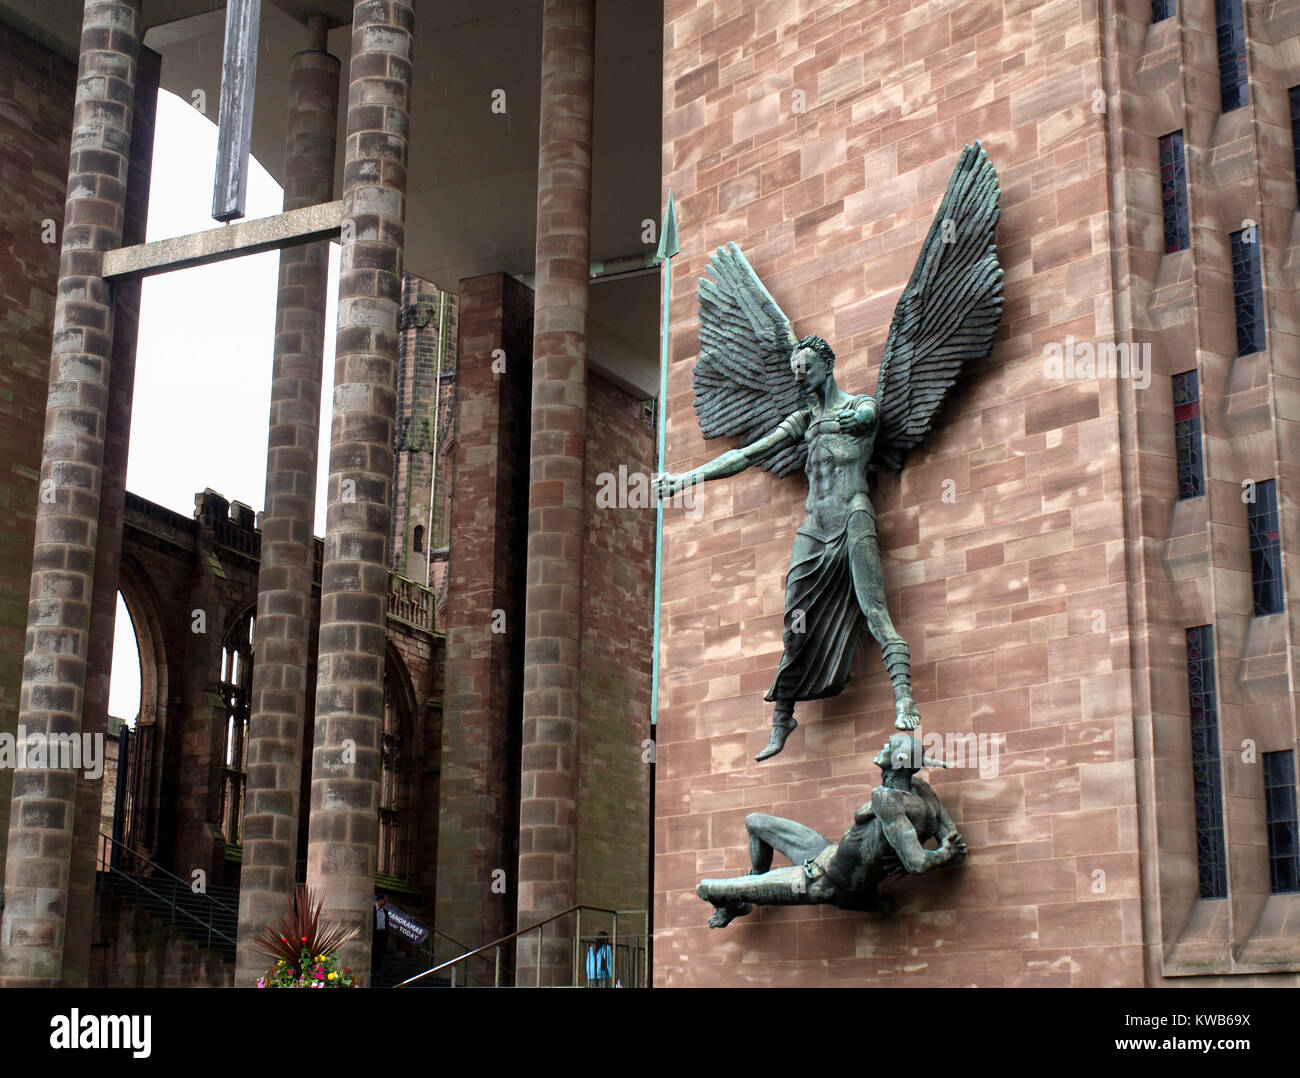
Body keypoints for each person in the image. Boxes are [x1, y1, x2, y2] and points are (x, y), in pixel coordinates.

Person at [371, 892, 389, 979]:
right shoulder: (372, 909)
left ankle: (376, 970)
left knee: (380, 954)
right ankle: (371, 970)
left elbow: (386, 924)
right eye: (385, 901)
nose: (385, 903)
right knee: (373, 953)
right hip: (375, 934)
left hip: (382, 935)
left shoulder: (385, 912)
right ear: (380, 900)